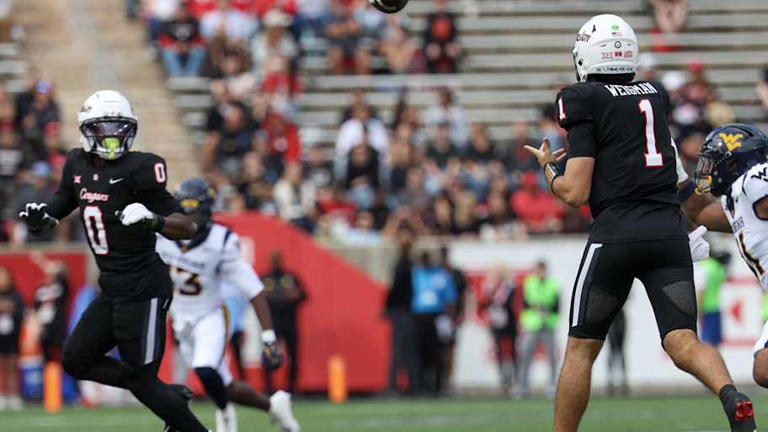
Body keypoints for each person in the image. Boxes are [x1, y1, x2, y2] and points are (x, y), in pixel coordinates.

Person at [524, 15, 756, 432]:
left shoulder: (582, 98)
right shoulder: (654, 99)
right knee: (683, 340)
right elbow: (688, 199)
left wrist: (548, 170)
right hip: (668, 235)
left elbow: (575, 193)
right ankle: (732, 396)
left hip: (615, 235)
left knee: (580, 350)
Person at [17, 90, 211, 432]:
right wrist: (41, 219)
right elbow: (61, 204)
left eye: (119, 127)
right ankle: (166, 397)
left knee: (141, 376)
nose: (112, 136)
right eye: (104, 127)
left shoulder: (140, 168)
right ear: (86, 129)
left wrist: (153, 219)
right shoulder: (76, 163)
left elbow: (187, 225)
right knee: (77, 359)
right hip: (111, 288)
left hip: (144, 288)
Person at [156, 178, 300, 432]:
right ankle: (275, 406)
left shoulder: (220, 241)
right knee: (224, 384)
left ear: (207, 210)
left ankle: (224, 414)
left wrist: (268, 337)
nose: (190, 215)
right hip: (180, 320)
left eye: (195, 209)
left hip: (210, 315)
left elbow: (254, 290)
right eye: (185, 208)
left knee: (205, 370)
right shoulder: (163, 237)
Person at [681, 123, 768, 393]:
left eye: (712, 163)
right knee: (763, 369)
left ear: (733, 163)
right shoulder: (737, 199)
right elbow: (701, 212)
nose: (707, 171)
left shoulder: (755, 179)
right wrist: (674, 171)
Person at [411, 252, 456, 395]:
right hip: (419, 316)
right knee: (420, 352)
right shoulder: (415, 274)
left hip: (437, 316)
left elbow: (450, 298)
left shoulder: (441, 275)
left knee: (438, 353)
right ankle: (420, 385)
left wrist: (448, 318)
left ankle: (438, 386)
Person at [262, 251, 306, 395]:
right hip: (272, 324)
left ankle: (292, 388)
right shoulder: (265, 278)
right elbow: (256, 298)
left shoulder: (290, 278)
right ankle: (269, 389)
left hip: (289, 323)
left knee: (292, 356)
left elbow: (304, 296)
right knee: (270, 356)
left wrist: (295, 294)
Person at [514, 261, 559, 399]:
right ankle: (521, 386)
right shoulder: (529, 283)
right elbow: (524, 303)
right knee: (526, 356)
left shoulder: (552, 284)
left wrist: (544, 308)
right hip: (532, 325)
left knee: (551, 356)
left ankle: (552, 385)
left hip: (547, 324)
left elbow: (556, 305)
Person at [385, 225, 418, 394]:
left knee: (403, 349)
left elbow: (396, 288)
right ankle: (401, 385)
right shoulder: (405, 263)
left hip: (405, 310)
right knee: (402, 349)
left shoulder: (408, 263)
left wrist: (387, 306)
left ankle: (402, 385)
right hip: (403, 310)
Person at [480, 266, 516, 396]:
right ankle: (503, 380)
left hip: (510, 323)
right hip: (496, 323)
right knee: (500, 352)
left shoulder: (509, 288)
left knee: (512, 352)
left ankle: (513, 379)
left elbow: (513, 304)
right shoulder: (490, 289)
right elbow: (484, 304)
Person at [0, 266, 23, 411]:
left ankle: (14, 395)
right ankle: (1, 395)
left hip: (12, 336)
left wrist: (11, 310)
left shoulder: (15, 295)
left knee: (12, 365)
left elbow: (21, 313)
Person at [699, 251, 730, 348]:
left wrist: (700, 309)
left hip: (706, 308)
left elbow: (701, 291)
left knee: (707, 342)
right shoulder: (718, 268)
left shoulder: (704, 267)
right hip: (716, 307)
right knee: (715, 342)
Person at [605, 309, 628, 396]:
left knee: (621, 350)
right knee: (612, 350)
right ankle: (611, 382)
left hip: (620, 315)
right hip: (611, 317)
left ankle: (623, 381)